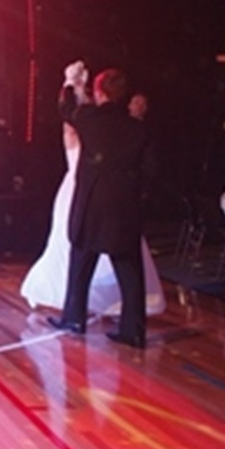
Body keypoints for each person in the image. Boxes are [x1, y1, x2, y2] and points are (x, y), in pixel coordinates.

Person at [48, 63, 150, 348]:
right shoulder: (137, 129)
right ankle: (134, 330)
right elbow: (151, 169)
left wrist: (69, 82)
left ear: (100, 92)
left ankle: (74, 318)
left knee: (81, 260)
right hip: (125, 205)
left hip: (93, 203)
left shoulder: (90, 117)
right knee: (130, 270)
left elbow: (65, 109)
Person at [20, 123, 166, 318]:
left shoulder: (99, 132)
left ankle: (88, 306)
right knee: (69, 245)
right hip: (75, 193)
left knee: (91, 248)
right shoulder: (90, 132)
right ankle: (76, 302)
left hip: (89, 193)